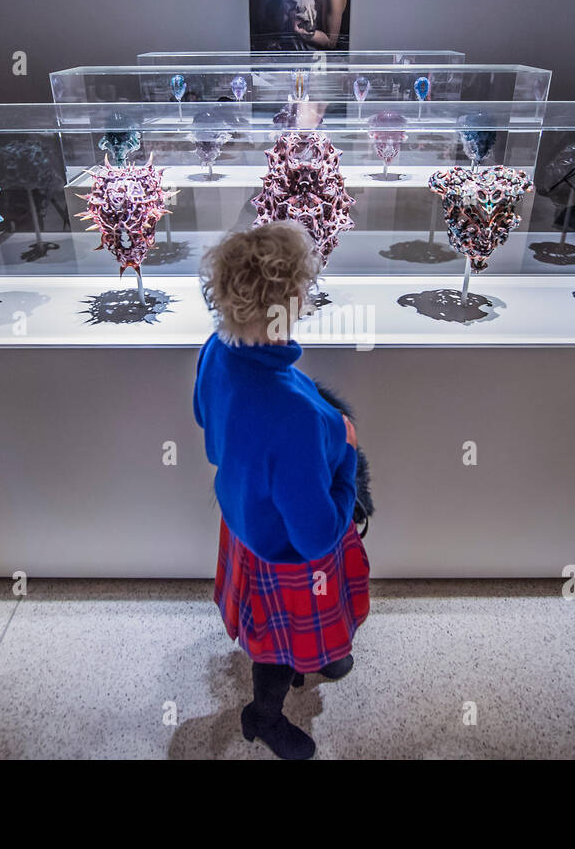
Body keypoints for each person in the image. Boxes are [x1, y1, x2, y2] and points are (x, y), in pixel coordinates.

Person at [193, 222, 369, 760]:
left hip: (246, 519)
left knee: (278, 632)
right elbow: (316, 537)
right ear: (289, 302)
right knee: (278, 645)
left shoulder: (216, 351)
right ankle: (262, 715)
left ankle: (321, 655)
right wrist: (346, 461)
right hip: (287, 554)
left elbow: (207, 423)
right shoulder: (294, 418)